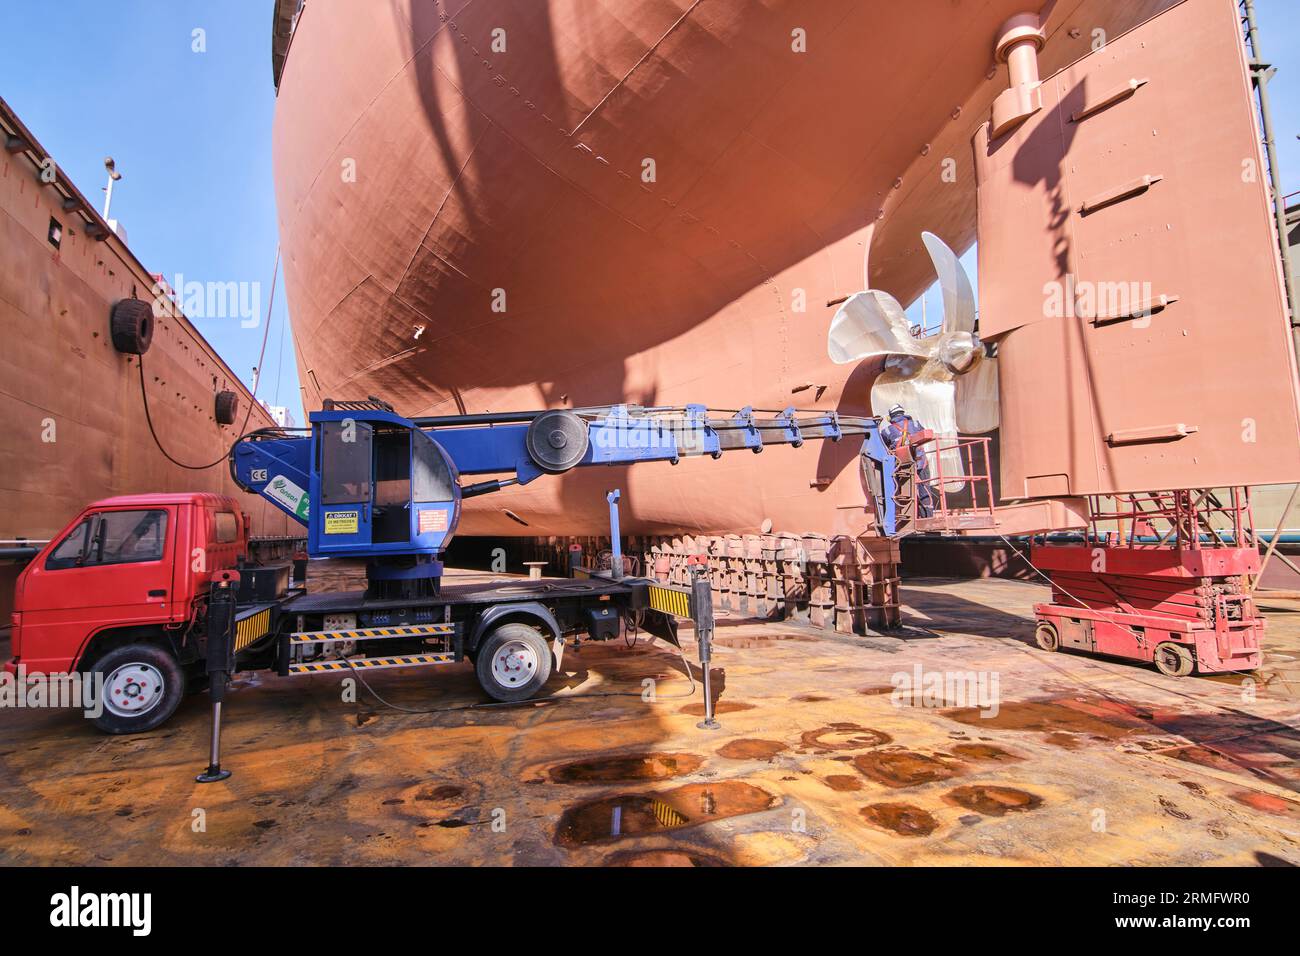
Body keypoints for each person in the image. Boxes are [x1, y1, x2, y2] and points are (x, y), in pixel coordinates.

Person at [881, 404, 934, 518]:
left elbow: (884, 447)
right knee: (924, 490)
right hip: (921, 462)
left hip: (901, 466)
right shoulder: (915, 424)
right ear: (903, 413)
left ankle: (908, 516)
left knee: (904, 492)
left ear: (891, 417)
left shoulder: (887, 431)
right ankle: (928, 517)